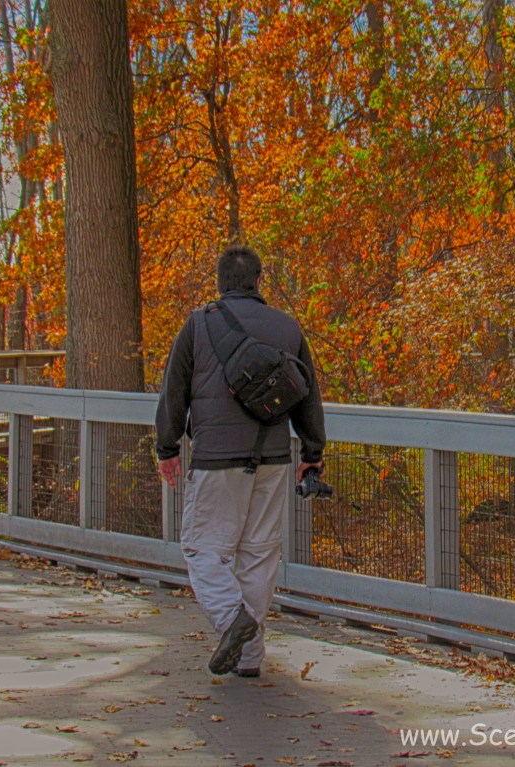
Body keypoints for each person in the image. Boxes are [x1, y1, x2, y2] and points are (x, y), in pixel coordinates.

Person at [155, 244, 326, 677]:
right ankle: (249, 659)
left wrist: (167, 448)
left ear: (220, 282)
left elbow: (174, 391)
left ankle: (234, 620)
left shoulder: (198, 325)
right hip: (272, 458)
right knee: (259, 554)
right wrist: (311, 454)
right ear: (258, 280)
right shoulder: (288, 328)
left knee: (202, 548)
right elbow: (309, 397)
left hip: (216, 459)